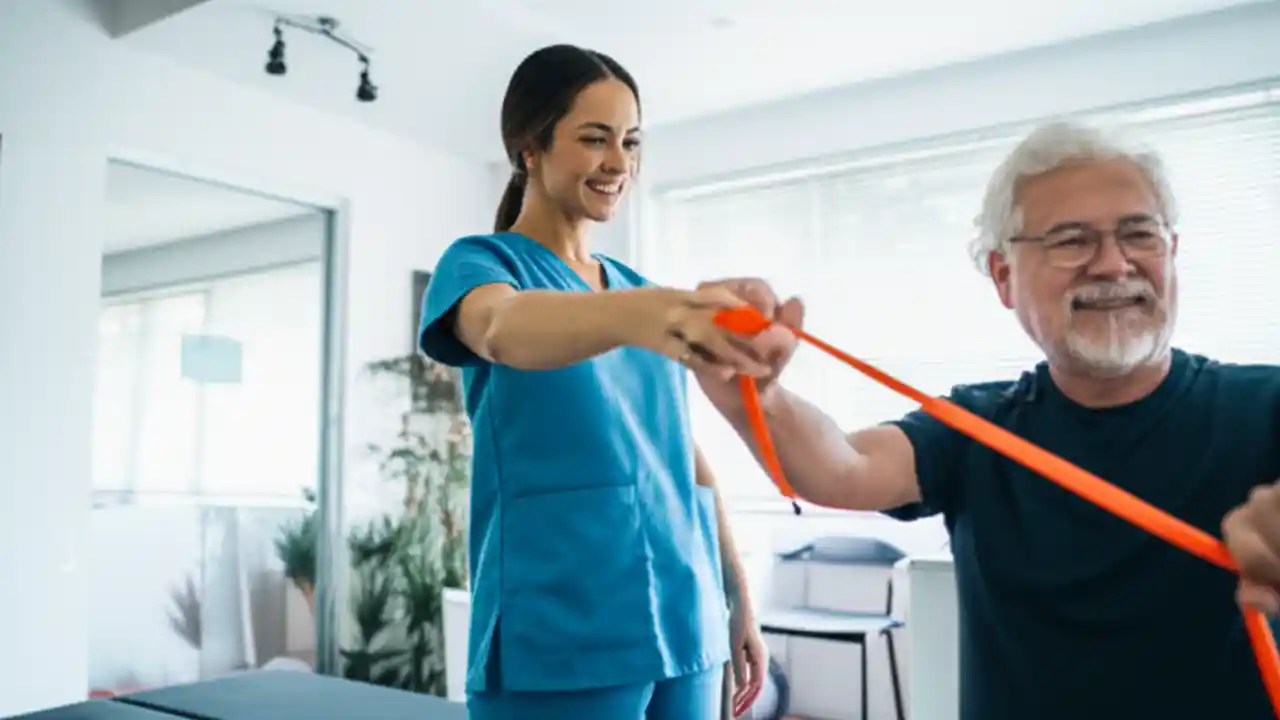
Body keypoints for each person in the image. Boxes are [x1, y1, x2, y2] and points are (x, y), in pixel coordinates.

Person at [693, 121, 1280, 719]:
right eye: (1071, 241)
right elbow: (844, 467)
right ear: (1004, 276)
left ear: (1171, 253)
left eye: (1139, 234)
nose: (1112, 264)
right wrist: (755, 398)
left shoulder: (1266, 406)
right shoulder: (978, 424)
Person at [417, 44, 768, 720]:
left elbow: (684, 460)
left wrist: (736, 594)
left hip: (685, 619)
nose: (620, 163)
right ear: (529, 147)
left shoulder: (637, 290)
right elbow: (501, 329)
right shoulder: (482, 264)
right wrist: (652, 312)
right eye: (594, 139)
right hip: (558, 631)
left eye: (631, 142)